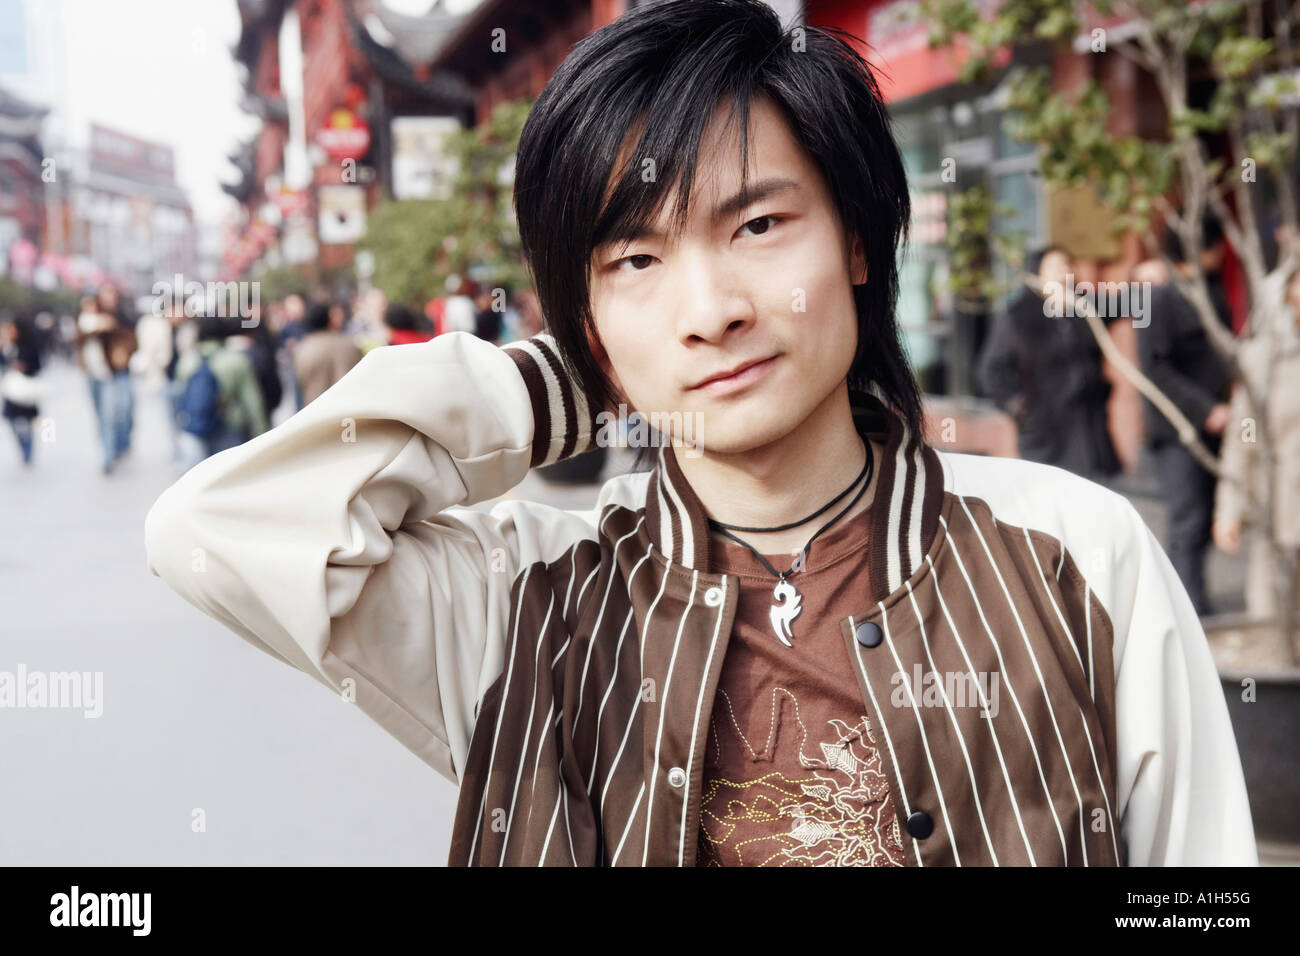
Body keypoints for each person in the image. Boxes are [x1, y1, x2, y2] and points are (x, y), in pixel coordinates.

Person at [145, 0, 1253, 867]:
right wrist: (571, 380)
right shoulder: (531, 602)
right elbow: (212, 529)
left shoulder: (1072, 556)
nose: (710, 308)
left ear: (855, 244)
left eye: (759, 223)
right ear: (585, 315)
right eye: (636, 259)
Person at [1137, 221, 1234, 615]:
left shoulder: (1211, 292)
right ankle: (1187, 612)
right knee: (1188, 520)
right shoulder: (1157, 297)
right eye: (1215, 246)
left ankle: (1198, 603)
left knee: (1207, 517)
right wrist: (1204, 409)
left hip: (1218, 425)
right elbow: (1154, 368)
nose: (1221, 254)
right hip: (1178, 429)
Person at [977, 247, 1121, 482]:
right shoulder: (1018, 315)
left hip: (1089, 430)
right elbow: (991, 372)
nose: (1064, 272)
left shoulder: (1083, 307)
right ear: (1037, 273)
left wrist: (1145, 282)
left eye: (1067, 265)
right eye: (1056, 267)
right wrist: (1021, 409)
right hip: (1047, 436)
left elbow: (1129, 305)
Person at [1212, 266, 1300, 619]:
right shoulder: (1262, 359)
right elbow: (1243, 436)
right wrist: (1229, 511)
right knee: (1272, 616)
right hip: (1278, 507)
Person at [172, 316, 269, 472]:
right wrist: (261, 435)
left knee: (200, 478)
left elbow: (179, 396)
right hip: (229, 426)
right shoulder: (236, 360)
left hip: (196, 426)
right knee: (228, 476)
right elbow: (253, 402)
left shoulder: (187, 360)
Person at [77, 293, 136, 474]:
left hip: (108, 375)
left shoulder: (110, 321)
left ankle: (109, 455)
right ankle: (108, 450)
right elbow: (80, 336)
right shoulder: (83, 325)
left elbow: (126, 336)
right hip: (91, 376)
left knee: (110, 415)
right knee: (100, 416)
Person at [292, 302, 362, 405]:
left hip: (316, 409)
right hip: (348, 408)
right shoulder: (350, 345)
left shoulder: (303, 349)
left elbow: (299, 389)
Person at [0, 314, 42, 466]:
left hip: (26, 390)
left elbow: (37, 366)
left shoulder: (28, 346)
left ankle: (28, 449)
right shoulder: (5, 346)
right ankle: (22, 446)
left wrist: (24, 367)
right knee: (11, 420)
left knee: (29, 421)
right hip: (11, 390)